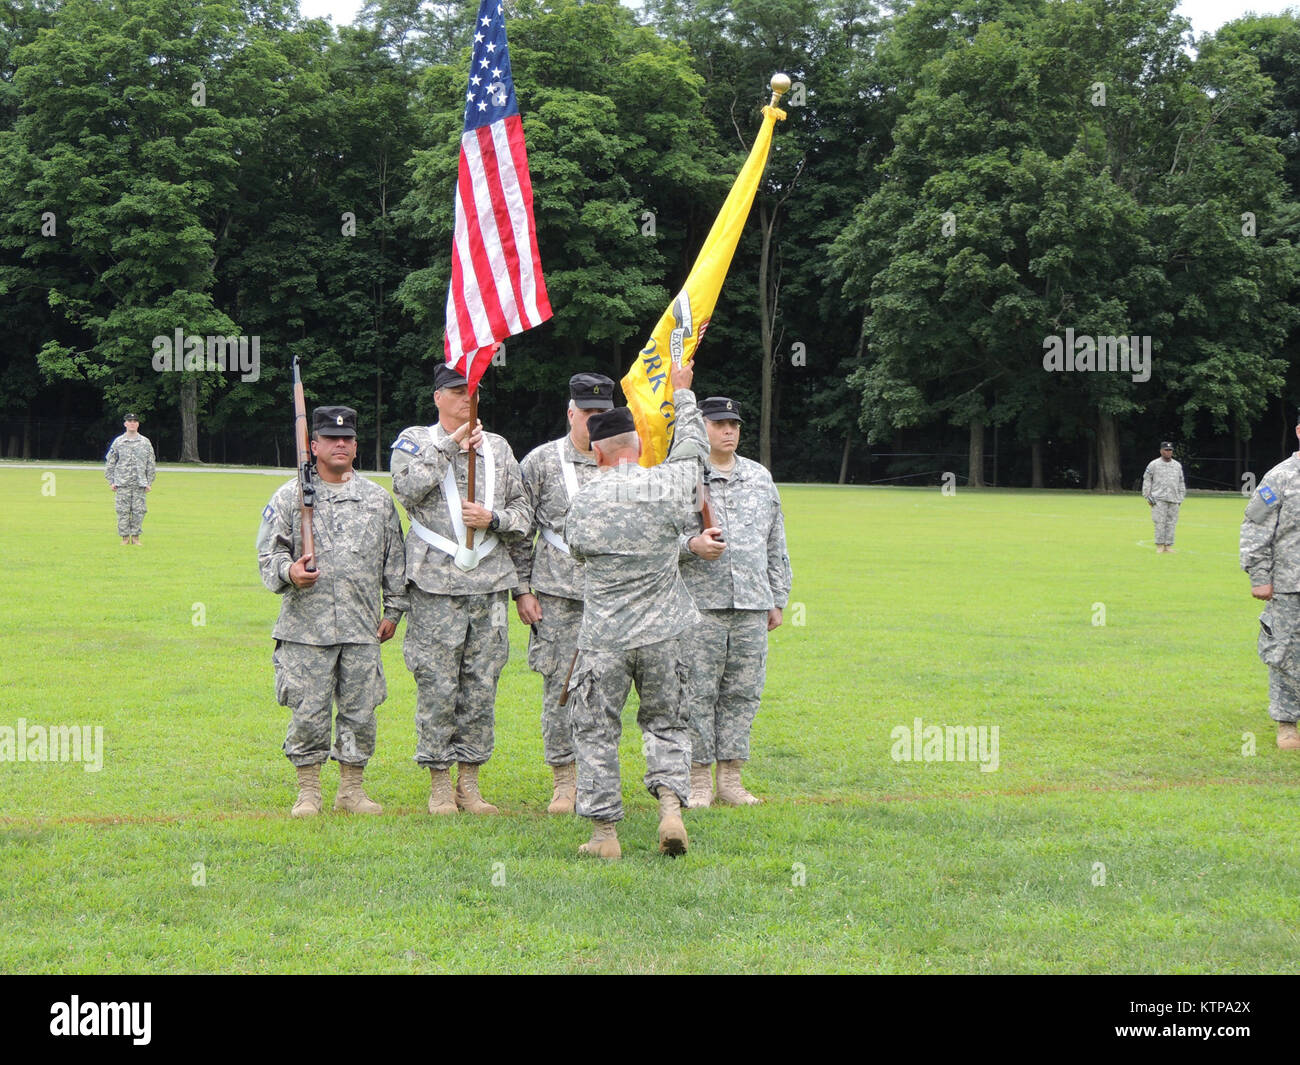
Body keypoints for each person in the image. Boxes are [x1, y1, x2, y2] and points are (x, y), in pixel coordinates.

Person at [562, 361, 706, 860]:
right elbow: (693, 454)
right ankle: (669, 809)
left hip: (605, 637)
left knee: (596, 730)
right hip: (665, 632)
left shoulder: (584, 500)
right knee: (666, 723)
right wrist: (683, 396)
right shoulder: (667, 486)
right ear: (639, 446)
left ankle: (604, 836)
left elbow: (576, 551)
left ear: (597, 450)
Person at [390, 363, 529, 815]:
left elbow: (523, 512)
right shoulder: (415, 440)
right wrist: (450, 446)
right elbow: (407, 489)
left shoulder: (499, 448)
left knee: (481, 683)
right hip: (435, 584)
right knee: (437, 683)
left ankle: (469, 782)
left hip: (488, 583)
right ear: (437, 397)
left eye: (471, 390)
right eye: (455, 391)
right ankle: (437, 781)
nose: (466, 398)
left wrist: (495, 520)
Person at [257, 405, 408, 816]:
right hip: (306, 630)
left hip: (362, 628)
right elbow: (267, 557)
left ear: (356, 446)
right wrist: (290, 571)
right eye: (329, 438)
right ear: (313, 445)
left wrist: (394, 609)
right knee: (308, 713)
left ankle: (351, 790)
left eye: (346, 439)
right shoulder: (289, 497)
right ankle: (308, 791)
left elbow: (395, 560)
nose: (339, 444)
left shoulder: (377, 500)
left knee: (360, 713)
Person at [680, 396, 792, 807]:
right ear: (701, 427)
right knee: (696, 692)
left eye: (735, 424)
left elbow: (775, 540)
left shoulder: (759, 477)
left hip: (751, 604)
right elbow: (661, 538)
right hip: (699, 606)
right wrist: (691, 545)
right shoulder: (687, 479)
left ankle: (731, 778)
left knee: (743, 693)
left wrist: (777, 597)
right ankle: (697, 781)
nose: (729, 431)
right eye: (720, 423)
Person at [510, 373, 614, 813]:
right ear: (570, 412)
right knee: (560, 688)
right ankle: (564, 781)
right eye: (587, 413)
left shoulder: (627, 461)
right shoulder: (540, 462)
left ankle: (599, 777)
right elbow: (520, 530)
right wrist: (521, 590)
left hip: (612, 597)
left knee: (607, 689)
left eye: (602, 414)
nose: (594, 421)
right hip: (555, 596)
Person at [1241, 415, 1300, 751]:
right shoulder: (1279, 477)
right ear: (1298, 432)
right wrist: (1260, 576)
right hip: (1289, 582)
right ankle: (1287, 723)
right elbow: (1255, 526)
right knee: (1285, 652)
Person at [104, 413, 156, 545]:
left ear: (138, 424)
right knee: (122, 511)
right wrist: (111, 481)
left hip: (140, 483)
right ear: (125, 424)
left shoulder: (145, 442)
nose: (132, 423)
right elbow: (111, 462)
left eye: (135, 421)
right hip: (122, 483)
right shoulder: (119, 442)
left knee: (139, 511)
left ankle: (136, 537)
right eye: (129, 421)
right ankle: (125, 538)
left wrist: (149, 482)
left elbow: (151, 463)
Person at [1142, 441, 1185, 552]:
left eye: (1170, 450)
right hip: (1158, 499)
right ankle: (1160, 545)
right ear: (1161, 451)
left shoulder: (1177, 465)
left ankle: (1168, 545)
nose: (1168, 452)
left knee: (1171, 523)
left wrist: (1181, 497)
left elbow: (1181, 482)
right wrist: (1147, 496)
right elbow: (1147, 480)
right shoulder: (1153, 464)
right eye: (1166, 450)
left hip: (1174, 498)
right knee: (1159, 522)